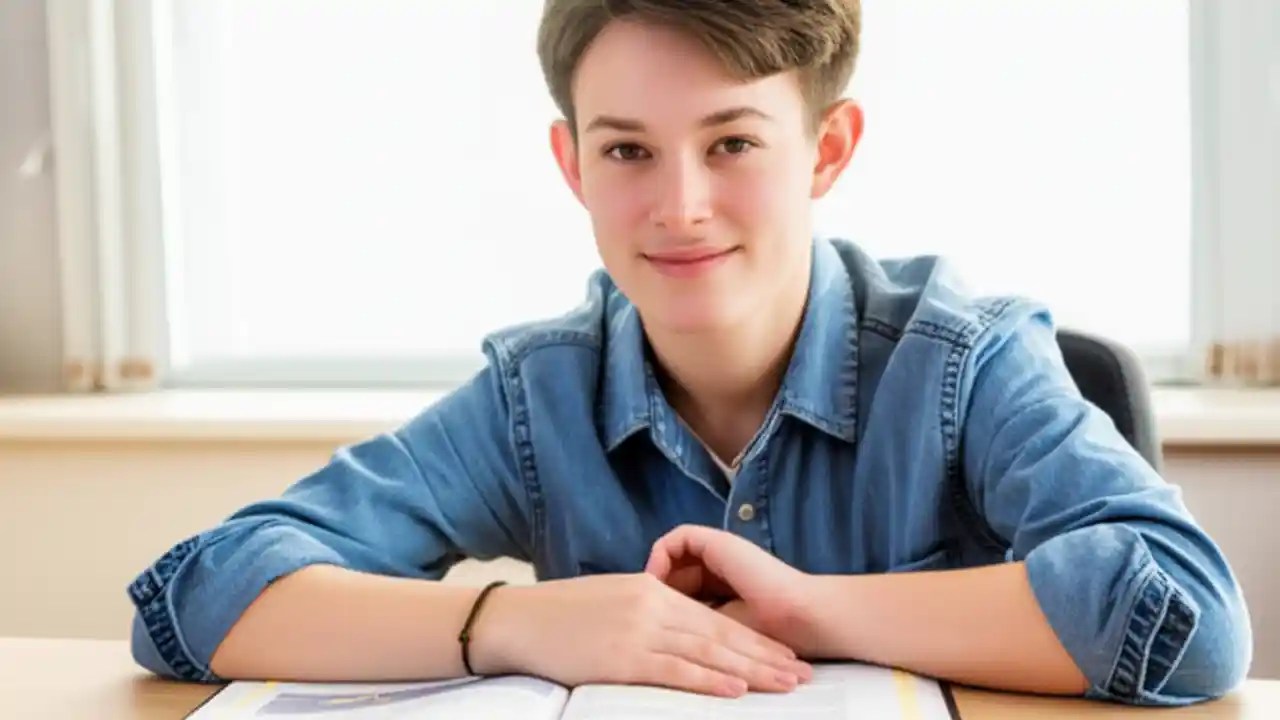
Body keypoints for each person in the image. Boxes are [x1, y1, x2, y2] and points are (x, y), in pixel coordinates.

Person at [127, 0, 1251, 706]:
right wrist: (513, 623)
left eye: (731, 143)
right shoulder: (538, 395)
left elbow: (1188, 618)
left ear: (827, 148)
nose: (679, 206)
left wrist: (814, 607)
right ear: (571, 166)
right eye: (627, 149)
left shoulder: (960, 360)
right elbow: (198, 596)